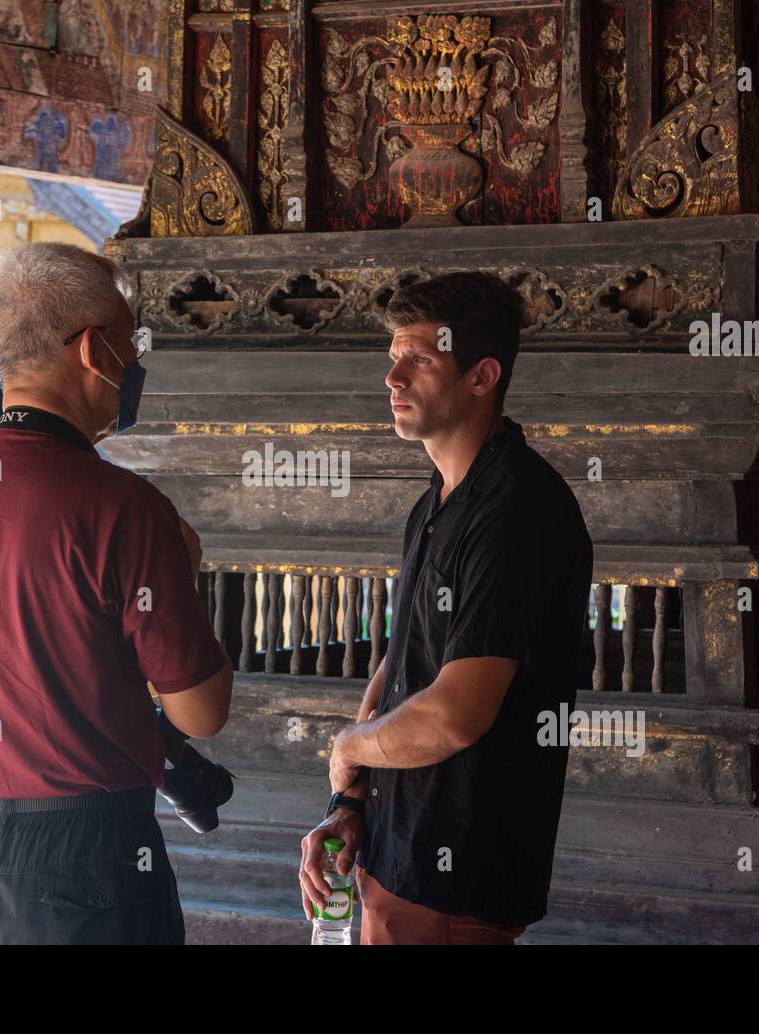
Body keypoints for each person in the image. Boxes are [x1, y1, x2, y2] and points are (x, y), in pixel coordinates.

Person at [0, 241, 233, 944]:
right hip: (88, 866)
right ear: (93, 349)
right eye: (129, 345)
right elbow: (201, 713)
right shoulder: (124, 509)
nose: (132, 367)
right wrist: (182, 579)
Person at [299, 272, 593, 944]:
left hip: (455, 875)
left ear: (482, 376)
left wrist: (349, 747)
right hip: (395, 850)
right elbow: (405, 662)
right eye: (393, 358)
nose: (394, 378)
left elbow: (456, 713)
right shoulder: (437, 501)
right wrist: (349, 804)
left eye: (420, 361)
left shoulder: (518, 511)